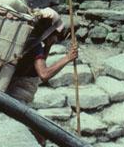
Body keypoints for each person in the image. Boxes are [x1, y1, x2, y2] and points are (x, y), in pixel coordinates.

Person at [6, 10, 78, 145]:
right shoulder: (36, 46)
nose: (57, 37)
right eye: (55, 34)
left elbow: (37, 61)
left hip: (16, 92)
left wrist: (48, 46)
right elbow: (44, 74)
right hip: (17, 95)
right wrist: (67, 58)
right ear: (49, 30)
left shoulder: (31, 39)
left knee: (37, 132)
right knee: (38, 134)